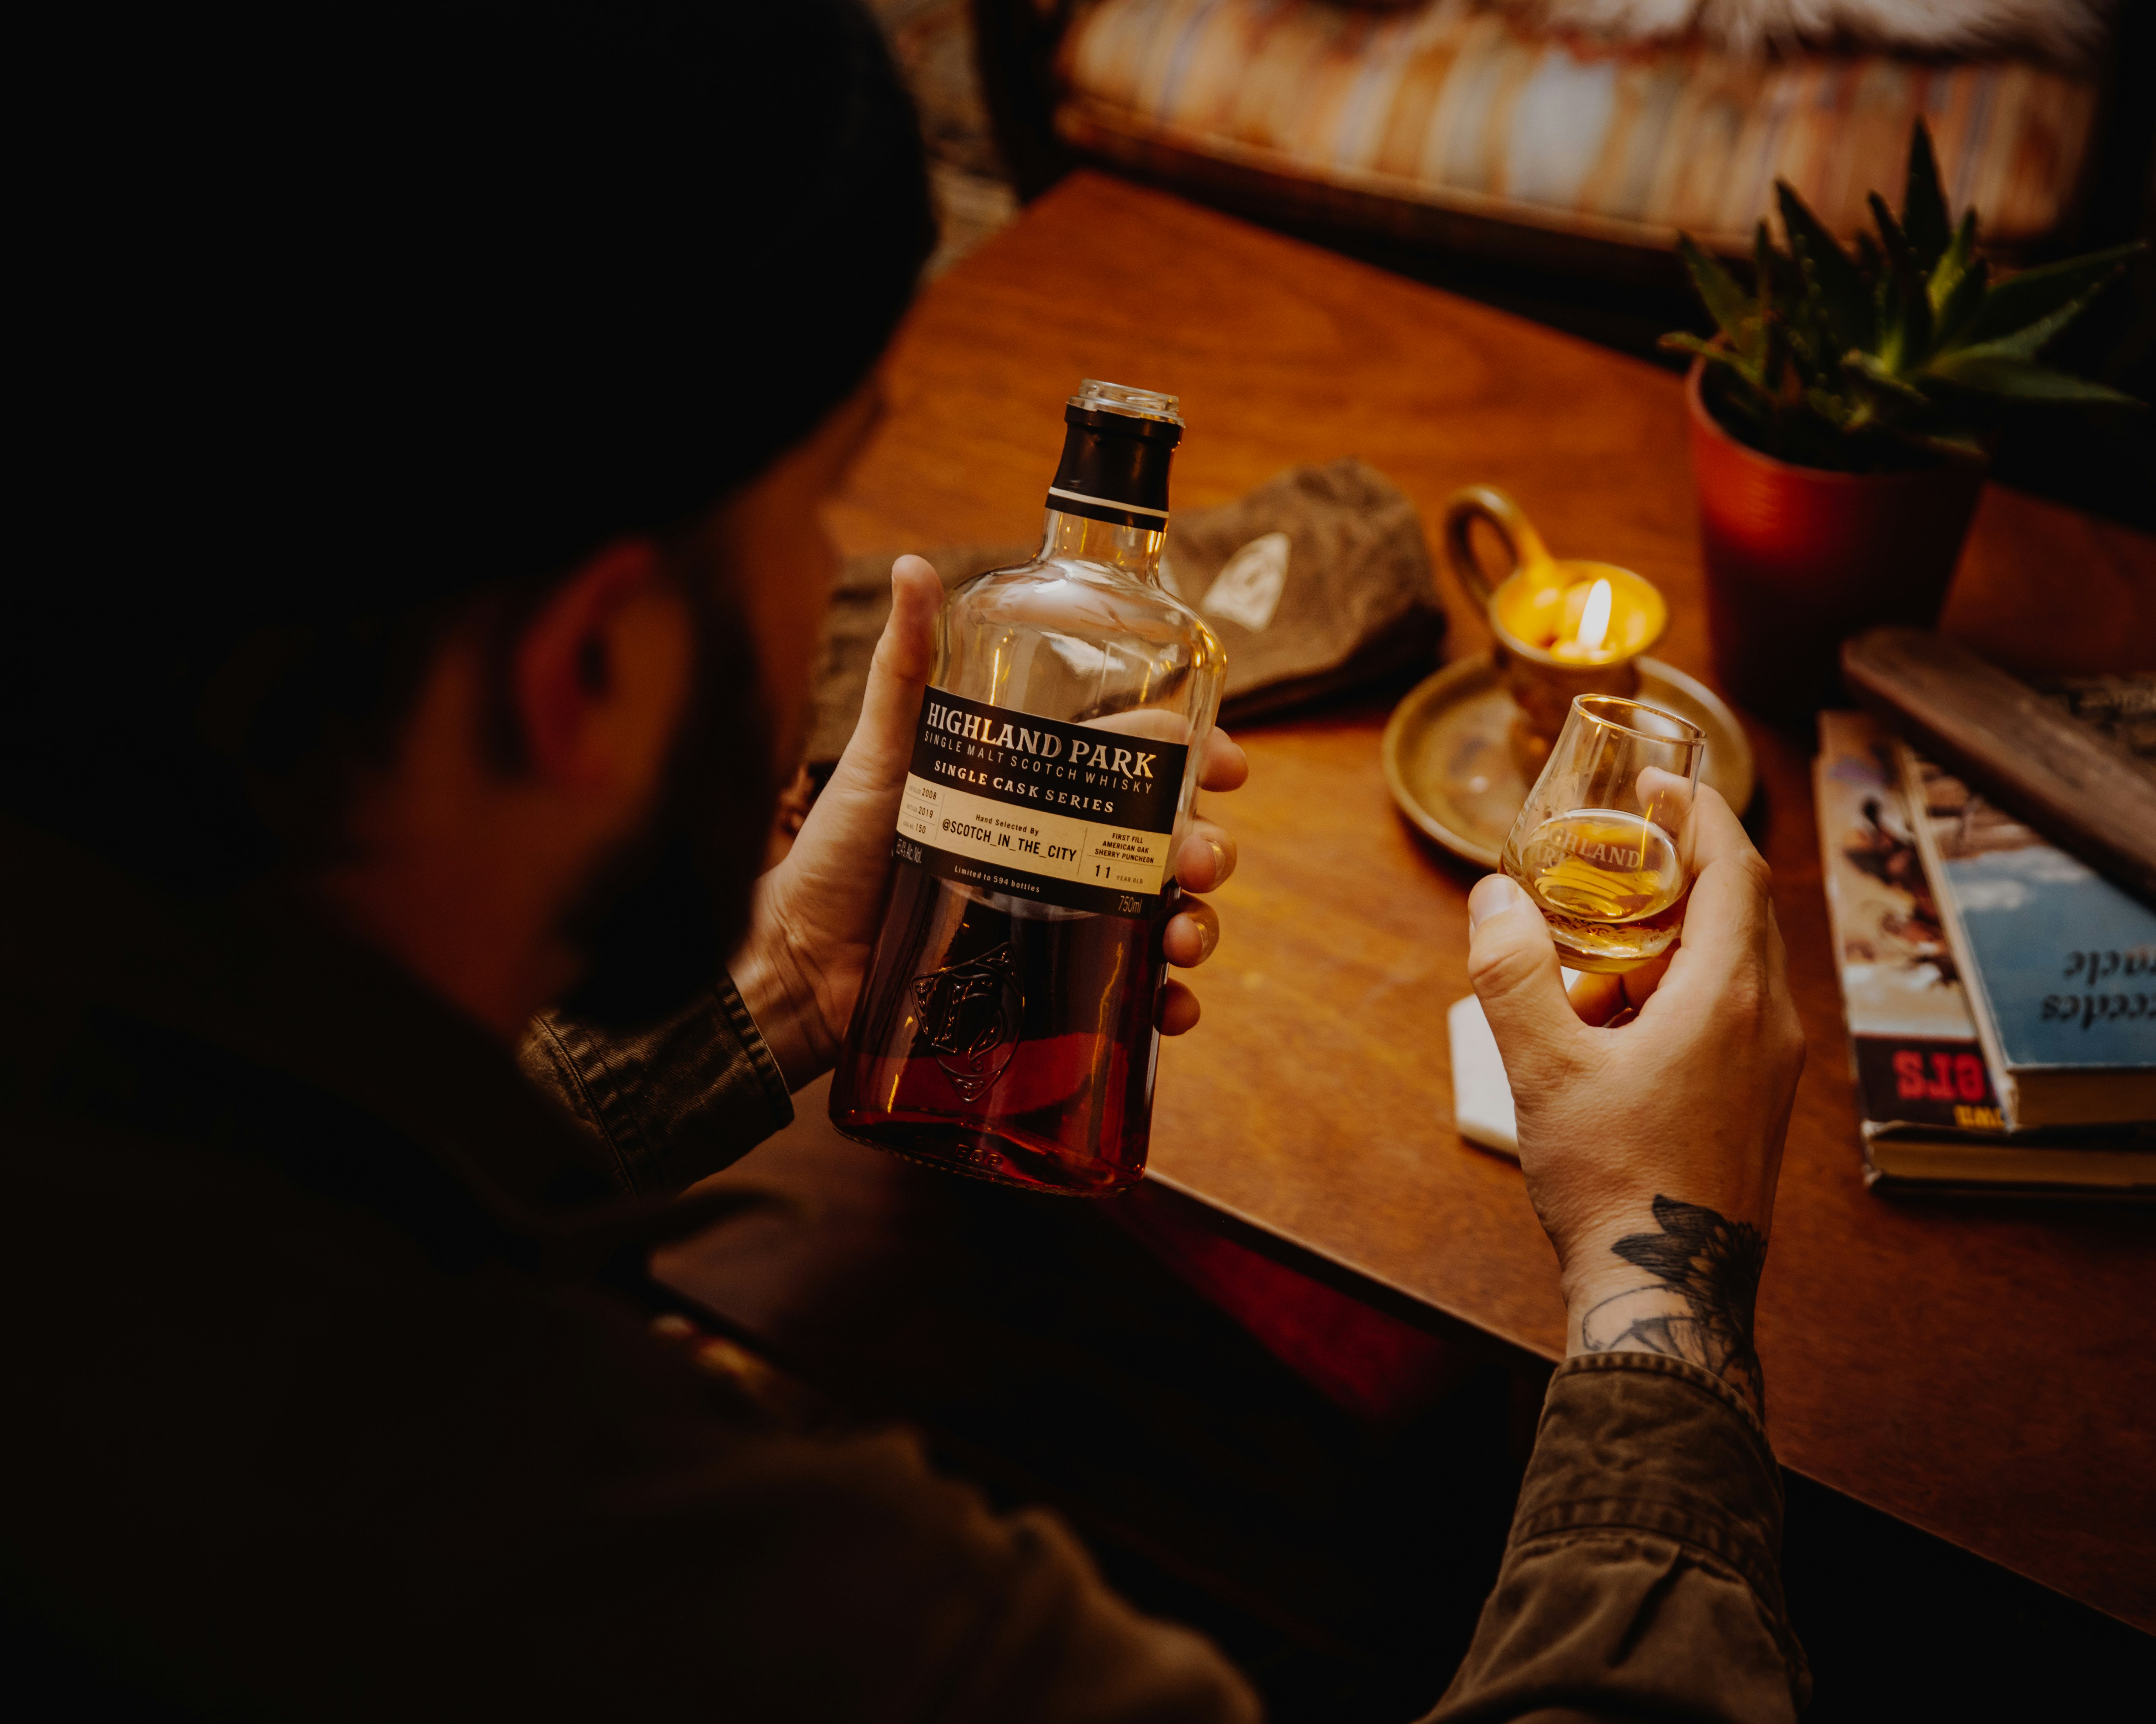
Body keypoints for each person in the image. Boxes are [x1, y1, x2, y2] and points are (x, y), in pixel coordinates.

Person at [3, 0, 1809, 1716]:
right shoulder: (711, 1586)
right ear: (584, 667)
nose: (830, 580)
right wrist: (1664, 1266)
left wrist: (784, 985)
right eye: (817, 508)